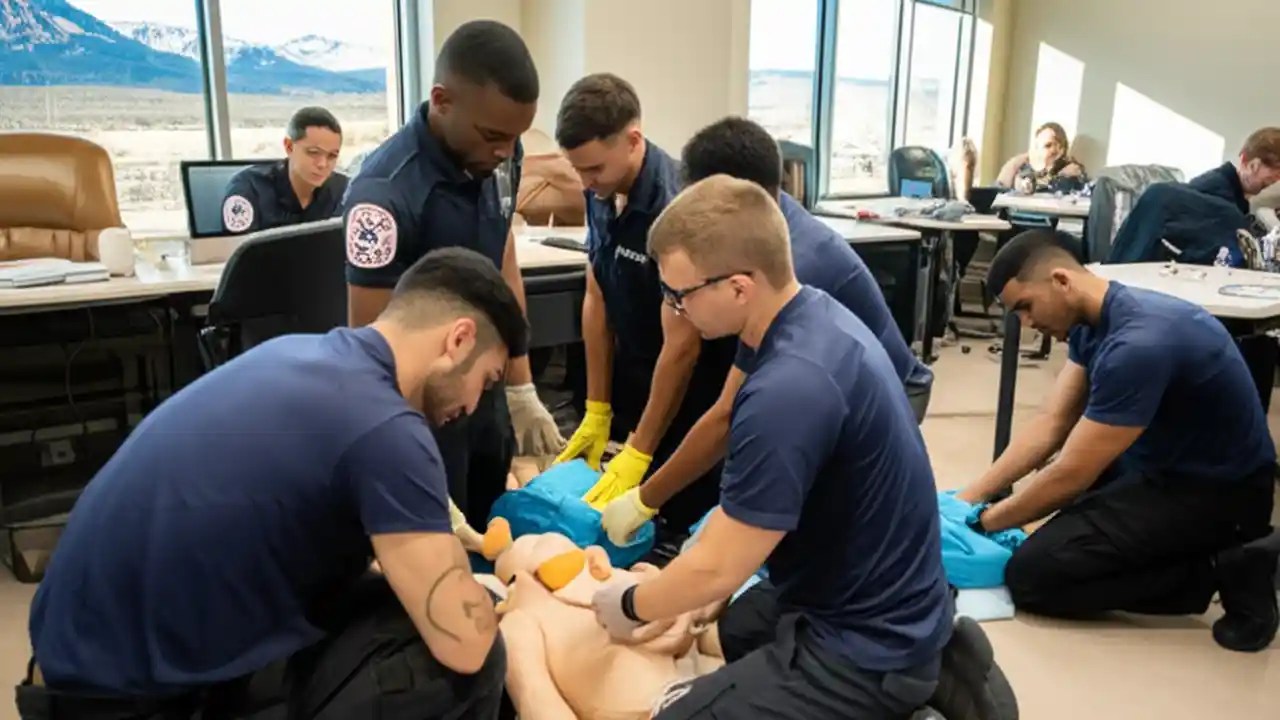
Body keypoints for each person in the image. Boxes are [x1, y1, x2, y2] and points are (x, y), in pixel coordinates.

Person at [18, 248, 527, 719]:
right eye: (486, 380)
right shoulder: (387, 427)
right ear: (458, 339)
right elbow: (464, 644)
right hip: (121, 702)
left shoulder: (296, 353)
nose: (473, 407)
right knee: (472, 666)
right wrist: (509, 605)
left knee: (381, 600)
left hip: (68, 665)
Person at [591, 175, 954, 719]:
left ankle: (900, 699)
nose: (673, 310)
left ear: (738, 287)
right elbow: (735, 521)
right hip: (867, 589)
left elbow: (718, 569)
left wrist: (628, 604)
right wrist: (688, 582)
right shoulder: (806, 313)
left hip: (870, 645)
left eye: (679, 295)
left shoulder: (789, 388)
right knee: (725, 631)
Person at [599, 116, 935, 546]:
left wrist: (644, 499)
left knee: (799, 526)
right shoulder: (766, 223)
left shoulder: (790, 268)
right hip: (841, 375)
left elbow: (724, 417)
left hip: (895, 393)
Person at [956, 229, 1279, 653]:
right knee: (1060, 507)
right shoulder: (1096, 317)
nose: (1027, 323)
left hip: (1220, 493)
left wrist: (985, 523)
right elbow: (1052, 423)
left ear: (1061, 281)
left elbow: (1071, 473)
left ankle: (1224, 567)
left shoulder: (1138, 344)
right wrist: (968, 501)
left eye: (1026, 307)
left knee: (1033, 577)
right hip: (1164, 463)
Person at [342, 20, 563, 530]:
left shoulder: (500, 152)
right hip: (424, 408)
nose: (506, 152)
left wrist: (521, 382)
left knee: (493, 532)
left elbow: (502, 253)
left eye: (515, 137)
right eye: (493, 136)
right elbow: (370, 347)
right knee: (435, 549)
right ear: (442, 100)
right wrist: (399, 451)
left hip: (486, 388)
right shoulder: (384, 193)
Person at [550, 73, 727, 542]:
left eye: (595, 170)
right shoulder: (599, 193)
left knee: (677, 517)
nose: (586, 183)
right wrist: (597, 407)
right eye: (578, 171)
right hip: (636, 369)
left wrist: (641, 451)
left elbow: (684, 347)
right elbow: (596, 293)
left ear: (633, 140)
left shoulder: (676, 208)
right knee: (618, 522)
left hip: (688, 387)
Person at [221, 106, 348, 234]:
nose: (322, 164)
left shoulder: (345, 191)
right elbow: (238, 249)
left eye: (332, 156)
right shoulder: (250, 188)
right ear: (289, 147)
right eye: (313, 152)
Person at [1188, 126, 1280, 215]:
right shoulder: (1218, 198)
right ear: (1245, 161)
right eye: (1274, 176)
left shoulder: (1232, 194)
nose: (1275, 181)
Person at [995, 121, 1086, 194]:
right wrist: (1015, 163)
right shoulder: (1025, 168)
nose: (1053, 151)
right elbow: (998, 190)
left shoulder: (1071, 170)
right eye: (1047, 145)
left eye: (1059, 145)